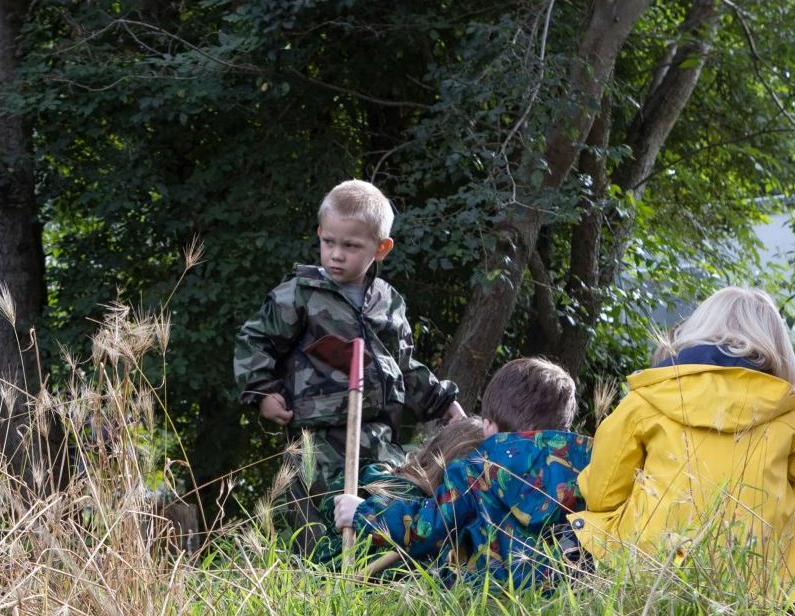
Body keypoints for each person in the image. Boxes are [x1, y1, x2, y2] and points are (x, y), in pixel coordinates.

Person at [234, 179, 467, 559]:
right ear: (320, 235)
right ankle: (314, 601)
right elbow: (254, 340)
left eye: (351, 245)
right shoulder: (299, 294)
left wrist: (443, 403)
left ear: (382, 248)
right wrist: (262, 393)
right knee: (312, 536)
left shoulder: (389, 303)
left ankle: (367, 593)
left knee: (374, 521)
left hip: (379, 441)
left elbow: (405, 364)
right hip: (317, 438)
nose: (336, 255)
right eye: (329, 242)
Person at [569, 288, 795, 600]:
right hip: (762, 581)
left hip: (654, 571)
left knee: (591, 522)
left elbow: (602, 494)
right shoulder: (784, 415)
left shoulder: (647, 399)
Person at [334, 357, 589, 588]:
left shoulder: (476, 471)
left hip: (485, 597)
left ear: (488, 426)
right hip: (551, 597)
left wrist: (363, 512)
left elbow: (427, 528)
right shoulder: (583, 476)